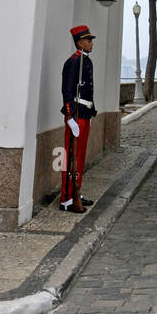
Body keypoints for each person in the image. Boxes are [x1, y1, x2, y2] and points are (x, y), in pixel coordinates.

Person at [60, 25, 98, 212]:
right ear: (80, 42)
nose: (91, 43)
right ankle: (66, 197)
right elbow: (67, 91)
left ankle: (76, 192)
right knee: (70, 156)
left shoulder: (86, 61)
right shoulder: (73, 62)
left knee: (80, 157)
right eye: (89, 40)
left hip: (85, 113)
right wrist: (69, 117)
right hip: (75, 115)